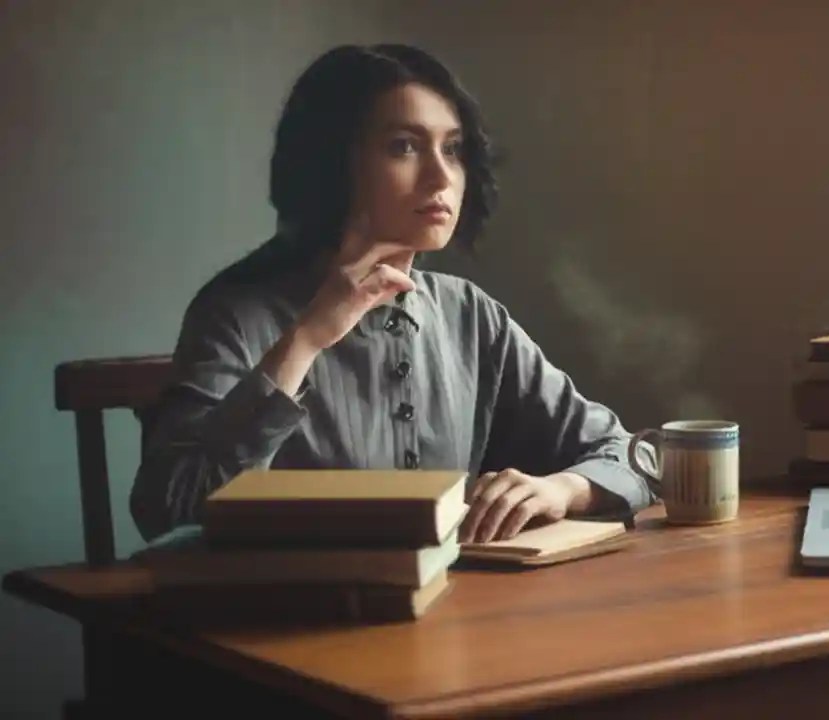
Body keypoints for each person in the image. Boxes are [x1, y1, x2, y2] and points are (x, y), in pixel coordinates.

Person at [129, 44, 658, 546]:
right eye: (404, 146)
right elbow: (168, 510)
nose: (440, 176)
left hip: (451, 621)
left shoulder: (468, 314)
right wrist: (308, 338)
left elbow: (633, 456)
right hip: (286, 626)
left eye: (452, 149)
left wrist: (561, 490)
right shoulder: (237, 316)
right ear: (331, 162)